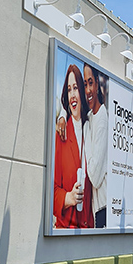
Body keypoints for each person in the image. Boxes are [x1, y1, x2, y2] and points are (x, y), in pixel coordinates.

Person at [53, 64, 93, 228]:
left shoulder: (92, 130)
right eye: (69, 89)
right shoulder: (61, 135)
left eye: (75, 88)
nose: (72, 95)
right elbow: (52, 188)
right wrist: (67, 198)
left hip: (91, 231)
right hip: (67, 231)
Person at [83, 63, 108, 228]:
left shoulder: (102, 120)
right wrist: (62, 115)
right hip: (94, 209)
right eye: (85, 84)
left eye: (90, 83)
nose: (88, 90)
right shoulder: (90, 116)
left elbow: (95, 176)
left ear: (97, 85)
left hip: (104, 208)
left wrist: (85, 132)